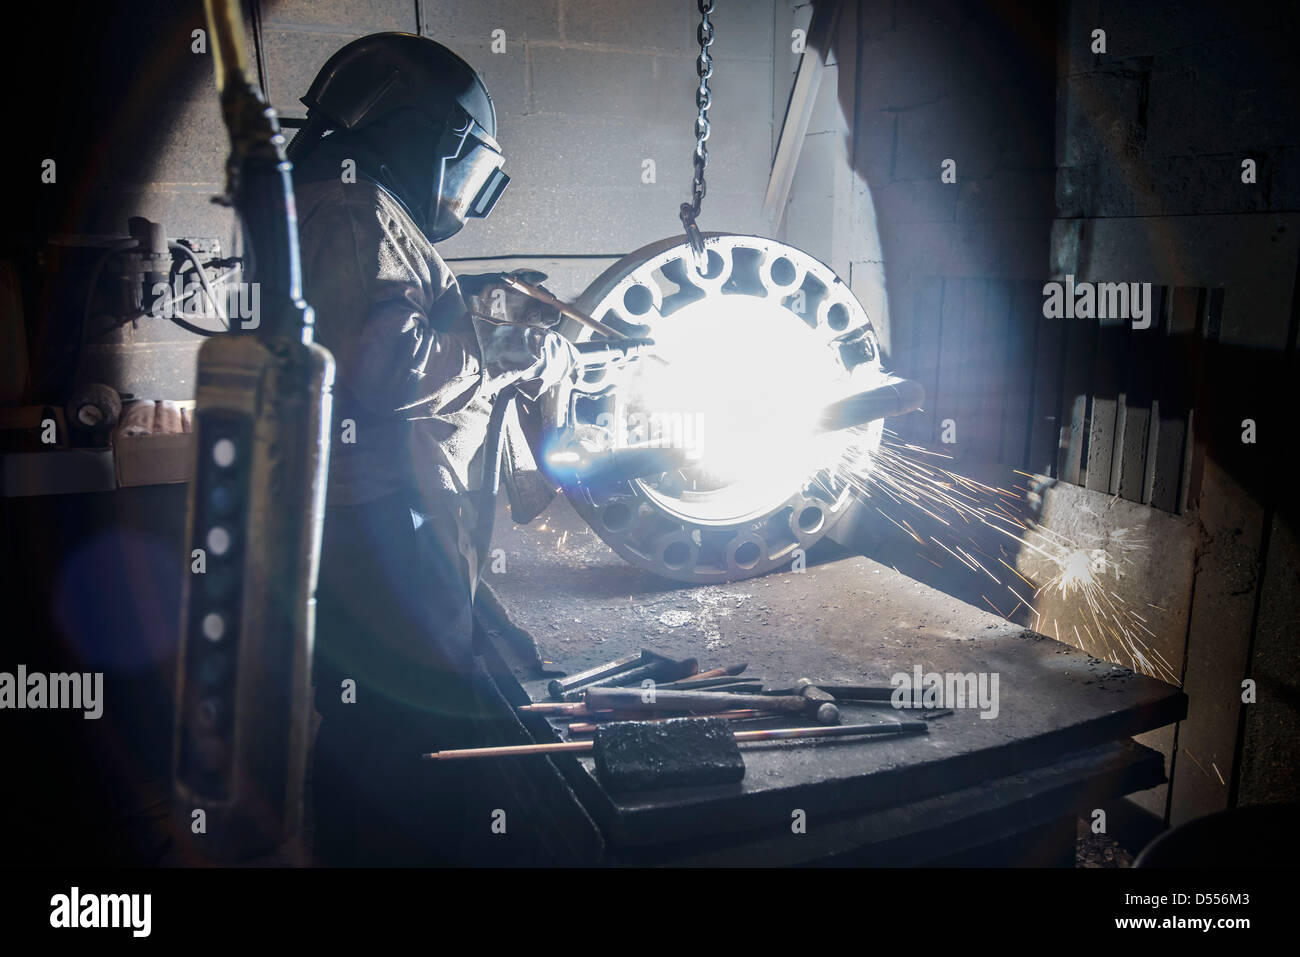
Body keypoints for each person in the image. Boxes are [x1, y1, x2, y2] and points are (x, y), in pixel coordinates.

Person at [286, 32, 576, 866]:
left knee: (387, 725)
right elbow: (380, 365)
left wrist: (480, 304)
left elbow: (386, 323)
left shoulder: (342, 197)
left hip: (379, 517)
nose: (464, 196)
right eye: (470, 169)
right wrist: (509, 350)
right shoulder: (347, 206)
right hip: (379, 523)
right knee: (402, 738)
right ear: (433, 136)